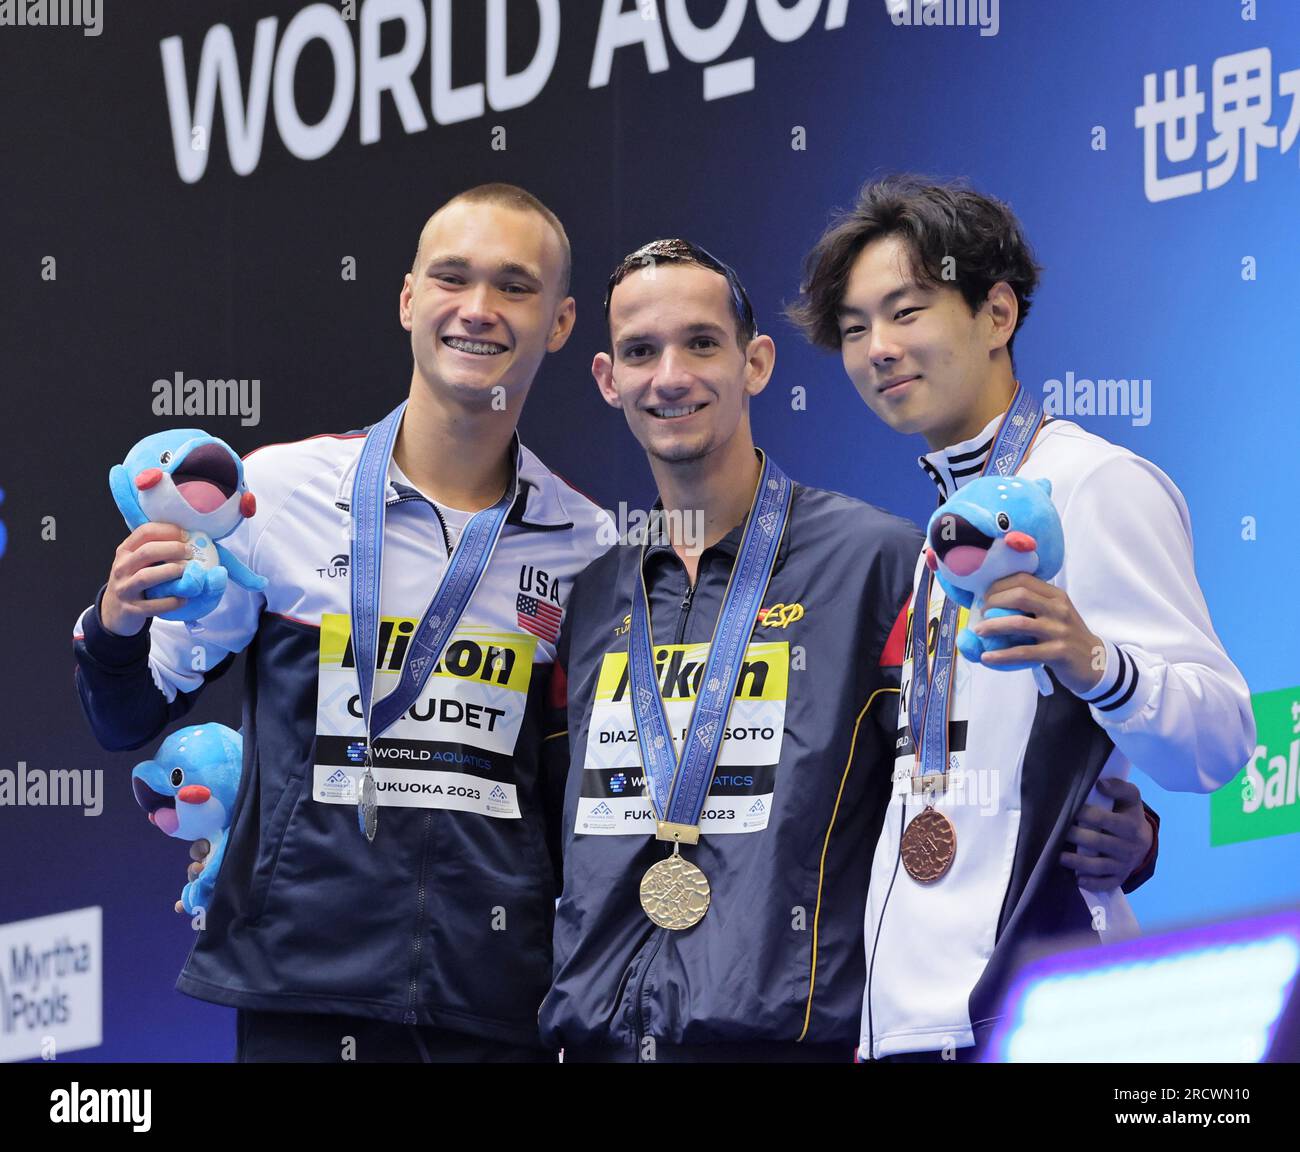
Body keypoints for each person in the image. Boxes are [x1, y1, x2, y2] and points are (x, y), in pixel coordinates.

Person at [538, 239, 1156, 1062]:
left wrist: (1130, 832)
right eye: (642, 352)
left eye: (702, 344)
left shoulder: (877, 561)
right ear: (609, 379)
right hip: (601, 1040)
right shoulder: (590, 600)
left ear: (757, 364)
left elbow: (978, 755)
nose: (672, 376)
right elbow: (548, 831)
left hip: (795, 1040)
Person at [72, 183, 610, 1062]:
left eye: (514, 287)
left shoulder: (586, 543)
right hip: (302, 994)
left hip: (495, 1004)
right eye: (452, 278)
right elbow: (127, 715)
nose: (478, 309)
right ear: (408, 300)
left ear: (558, 322)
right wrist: (115, 624)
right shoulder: (278, 492)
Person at [786, 175, 1255, 1061]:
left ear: (996, 313)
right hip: (910, 1026)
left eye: (907, 311)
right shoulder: (946, 534)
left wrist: (1097, 664)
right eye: (854, 329)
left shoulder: (1093, 484)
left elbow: (1224, 737)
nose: (878, 348)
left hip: (1039, 1011)